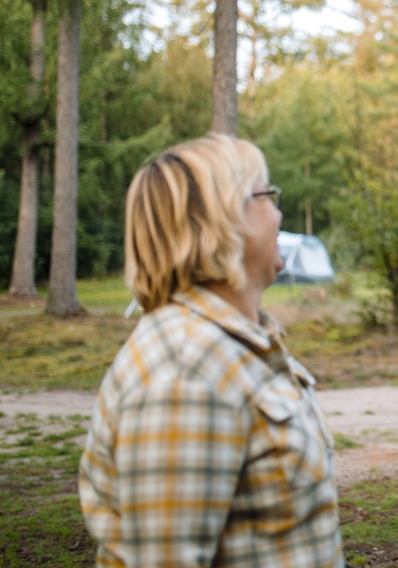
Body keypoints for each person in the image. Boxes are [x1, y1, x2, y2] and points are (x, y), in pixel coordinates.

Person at [78, 134, 344, 567]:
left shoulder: (233, 341)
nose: (279, 213)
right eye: (267, 195)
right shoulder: (185, 372)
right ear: (223, 218)